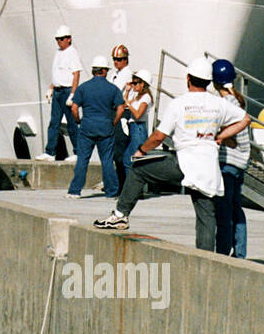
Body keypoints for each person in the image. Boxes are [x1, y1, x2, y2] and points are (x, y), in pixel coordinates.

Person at [95, 58, 250, 252]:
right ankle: (207, 258)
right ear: (208, 82)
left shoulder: (179, 104)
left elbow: (159, 136)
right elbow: (245, 119)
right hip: (208, 168)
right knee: (206, 217)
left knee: (138, 169)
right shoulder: (218, 104)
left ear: (188, 79)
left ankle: (120, 215)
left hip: (183, 163)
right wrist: (218, 136)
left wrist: (141, 151)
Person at [67, 55, 125, 198]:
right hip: (105, 126)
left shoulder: (83, 88)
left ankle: (74, 191)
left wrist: (79, 121)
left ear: (93, 70)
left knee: (82, 159)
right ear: (105, 71)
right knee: (106, 160)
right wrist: (114, 122)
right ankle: (112, 192)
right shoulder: (113, 89)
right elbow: (121, 109)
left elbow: (74, 108)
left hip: (87, 126)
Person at [211, 58, 250, 259]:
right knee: (236, 209)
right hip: (240, 163)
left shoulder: (226, 104)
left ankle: (222, 252)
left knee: (223, 211)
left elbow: (231, 138)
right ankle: (240, 252)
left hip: (229, 163)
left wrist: (216, 138)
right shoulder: (238, 100)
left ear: (214, 82)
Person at [35, 24, 81, 161]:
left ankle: (78, 152)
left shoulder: (72, 53)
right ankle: (50, 152)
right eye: (57, 39)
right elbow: (57, 74)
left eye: (61, 39)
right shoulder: (58, 53)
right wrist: (51, 88)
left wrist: (73, 94)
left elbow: (76, 74)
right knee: (54, 122)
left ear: (69, 39)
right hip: (57, 91)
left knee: (72, 123)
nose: (59, 41)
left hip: (67, 91)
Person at [109, 44, 133, 189]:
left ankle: (124, 185)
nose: (116, 62)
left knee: (120, 151)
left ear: (125, 60)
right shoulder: (116, 74)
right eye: (115, 59)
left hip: (122, 113)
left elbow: (115, 92)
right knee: (116, 151)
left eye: (119, 59)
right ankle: (120, 183)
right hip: (114, 111)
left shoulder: (126, 74)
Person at [121, 69, 153, 166]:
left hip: (138, 129)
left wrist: (129, 105)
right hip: (134, 128)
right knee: (128, 159)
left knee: (132, 161)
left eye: (135, 83)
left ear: (142, 84)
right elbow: (124, 104)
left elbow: (138, 115)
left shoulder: (146, 97)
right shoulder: (137, 96)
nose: (133, 85)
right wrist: (127, 91)